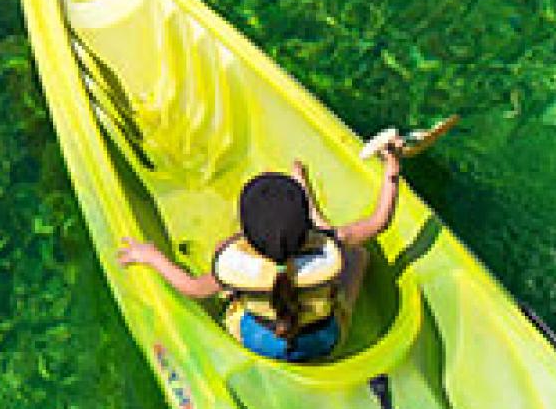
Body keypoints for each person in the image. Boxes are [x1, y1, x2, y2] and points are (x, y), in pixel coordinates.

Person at [115, 144, 404, 362]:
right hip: (322, 342)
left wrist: (151, 256)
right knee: (358, 256)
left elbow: (193, 288)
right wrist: (392, 165)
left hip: (261, 342)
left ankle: (245, 289)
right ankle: (313, 213)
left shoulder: (238, 264)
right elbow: (381, 220)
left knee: (224, 258)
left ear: (247, 234)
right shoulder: (331, 244)